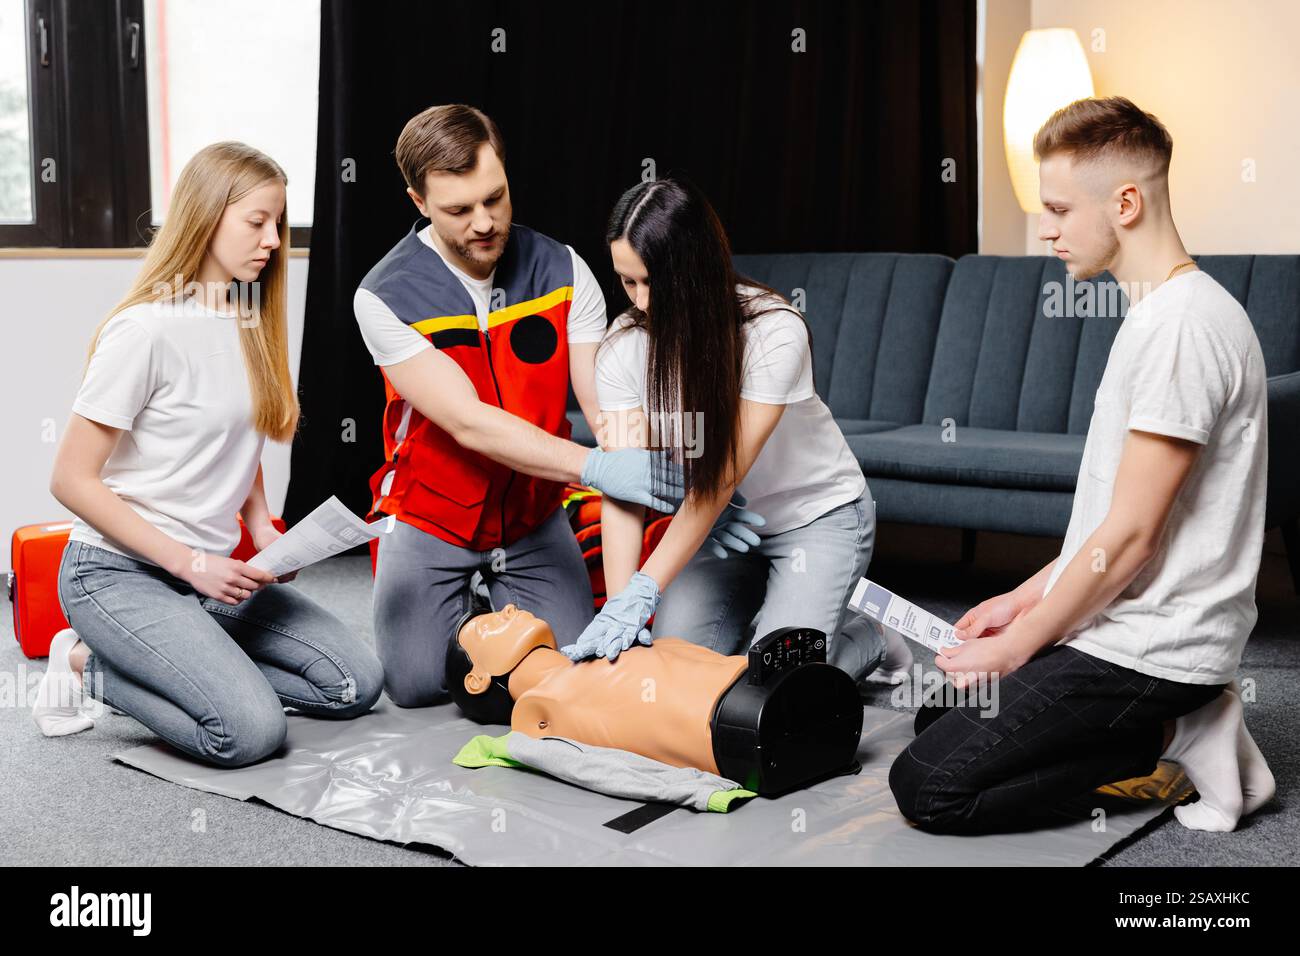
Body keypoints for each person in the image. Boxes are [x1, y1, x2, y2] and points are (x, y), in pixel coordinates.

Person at [889, 97, 1276, 834]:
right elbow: (1109, 520)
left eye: (1060, 209)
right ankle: (1161, 730)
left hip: (1155, 648)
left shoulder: (1183, 330)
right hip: (1117, 622)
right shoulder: (1155, 312)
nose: (1046, 229)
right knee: (942, 711)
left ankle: (1176, 734)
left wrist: (1017, 649)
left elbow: (1130, 538)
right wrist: (1021, 603)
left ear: (1126, 202)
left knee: (931, 786)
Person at [34, 142, 384, 767]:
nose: (274, 239)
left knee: (354, 684)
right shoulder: (144, 331)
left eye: (278, 221)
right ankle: (86, 660)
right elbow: (71, 480)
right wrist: (191, 564)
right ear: (205, 216)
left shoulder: (249, 319)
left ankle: (193, 663)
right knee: (250, 733)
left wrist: (261, 527)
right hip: (118, 573)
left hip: (210, 577)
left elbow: (235, 441)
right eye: (257, 221)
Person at [354, 104, 685, 708]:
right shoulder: (382, 295)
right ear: (418, 202)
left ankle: (501, 600)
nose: (484, 222)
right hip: (432, 515)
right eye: (459, 209)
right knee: (418, 684)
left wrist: (673, 478)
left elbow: (604, 403)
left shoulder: (564, 269)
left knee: (568, 669)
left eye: (495, 198)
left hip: (533, 516)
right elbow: (468, 421)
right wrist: (595, 468)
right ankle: (472, 607)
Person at [563, 175, 905, 683]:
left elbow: (719, 477)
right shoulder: (621, 347)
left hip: (814, 516)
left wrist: (647, 589)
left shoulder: (774, 331)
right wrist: (621, 606)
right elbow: (625, 484)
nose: (641, 302)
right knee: (669, 675)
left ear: (694, 270)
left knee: (774, 684)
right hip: (718, 532)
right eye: (628, 282)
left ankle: (868, 635)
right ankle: (790, 625)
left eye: (653, 282)